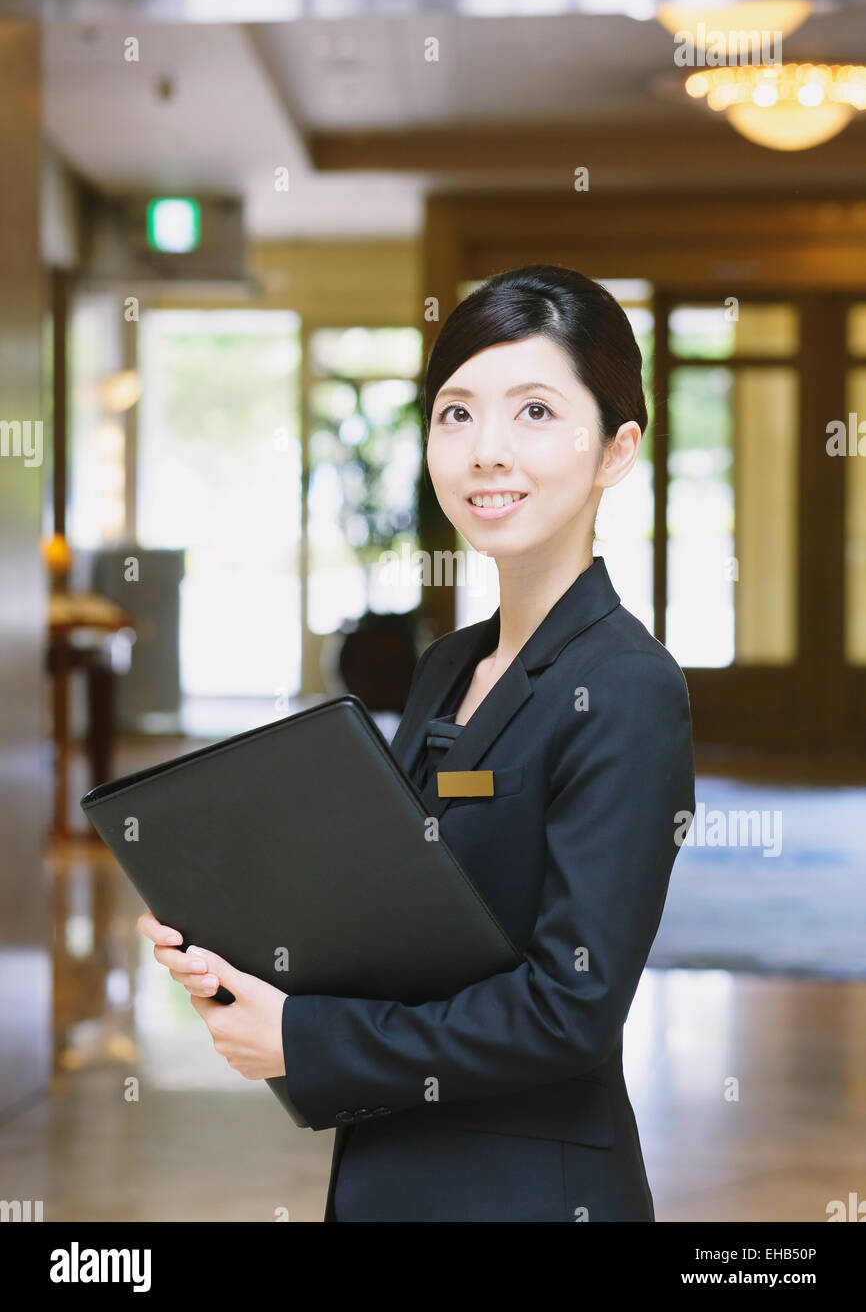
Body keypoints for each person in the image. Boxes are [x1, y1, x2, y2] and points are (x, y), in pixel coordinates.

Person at [138, 263, 696, 1222]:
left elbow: (571, 1011)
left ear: (615, 450)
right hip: (391, 1166)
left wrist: (307, 1043)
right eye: (455, 413)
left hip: (527, 1189)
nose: (485, 451)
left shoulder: (629, 688)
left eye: (534, 412)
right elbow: (396, 922)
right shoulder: (444, 667)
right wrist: (237, 950)